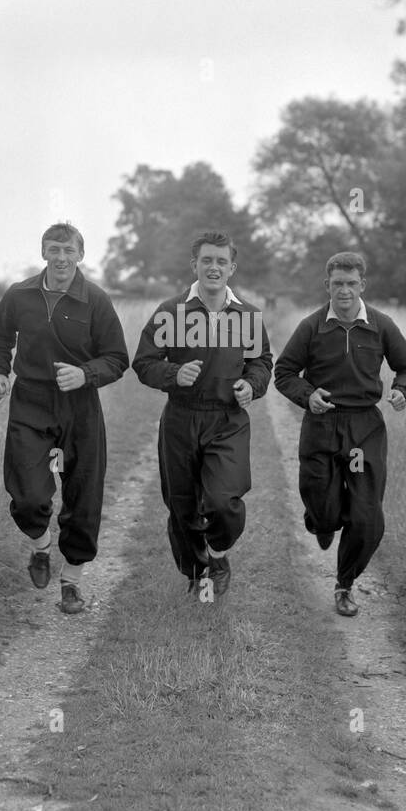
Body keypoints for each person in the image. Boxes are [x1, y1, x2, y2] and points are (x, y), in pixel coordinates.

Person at [0, 223, 130, 614]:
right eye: (54, 249)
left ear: (80, 255)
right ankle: (41, 548)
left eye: (68, 250)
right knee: (29, 494)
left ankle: (72, 583)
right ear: (43, 252)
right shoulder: (20, 295)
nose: (61, 257)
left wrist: (86, 374)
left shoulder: (95, 300)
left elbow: (118, 358)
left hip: (79, 405)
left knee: (83, 496)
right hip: (30, 401)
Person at [273, 252, 406, 617]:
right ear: (327, 286)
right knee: (323, 510)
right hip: (322, 426)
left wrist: (404, 390)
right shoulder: (311, 327)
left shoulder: (381, 325)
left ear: (362, 285)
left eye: (351, 283)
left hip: (364, 429)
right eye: (337, 283)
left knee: (366, 515)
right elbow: (284, 372)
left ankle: (345, 584)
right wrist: (308, 396)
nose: (344, 290)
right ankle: (322, 523)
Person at [132, 231, 272, 600]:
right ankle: (196, 574)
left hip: (227, 420)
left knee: (224, 500)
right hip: (181, 418)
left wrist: (252, 385)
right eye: (207, 260)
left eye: (221, 261)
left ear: (232, 268)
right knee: (182, 506)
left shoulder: (247, 316)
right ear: (194, 265)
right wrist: (173, 375)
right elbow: (143, 362)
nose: (214, 267)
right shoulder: (170, 312)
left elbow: (262, 362)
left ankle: (218, 555)